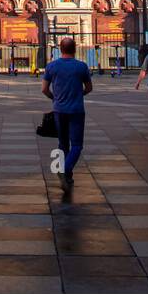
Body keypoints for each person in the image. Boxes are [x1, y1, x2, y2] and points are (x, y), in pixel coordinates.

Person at [41, 36, 92, 192]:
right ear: (75, 49)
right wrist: (78, 94)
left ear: (60, 49)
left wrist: (54, 98)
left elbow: (44, 89)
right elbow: (89, 88)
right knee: (77, 145)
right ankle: (65, 169)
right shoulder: (81, 66)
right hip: (76, 110)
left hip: (59, 111)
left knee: (63, 144)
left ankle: (66, 175)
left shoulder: (51, 66)